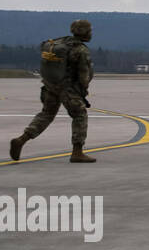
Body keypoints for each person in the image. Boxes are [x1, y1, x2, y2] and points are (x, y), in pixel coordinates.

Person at [9, 19, 96, 163]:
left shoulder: (60, 43)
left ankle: (21, 140)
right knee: (80, 115)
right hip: (68, 89)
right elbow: (84, 76)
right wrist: (83, 90)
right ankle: (77, 152)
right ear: (85, 32)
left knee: (46, 114)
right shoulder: (81, 49)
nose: (91, 33)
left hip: (50, 86)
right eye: (89, 30)